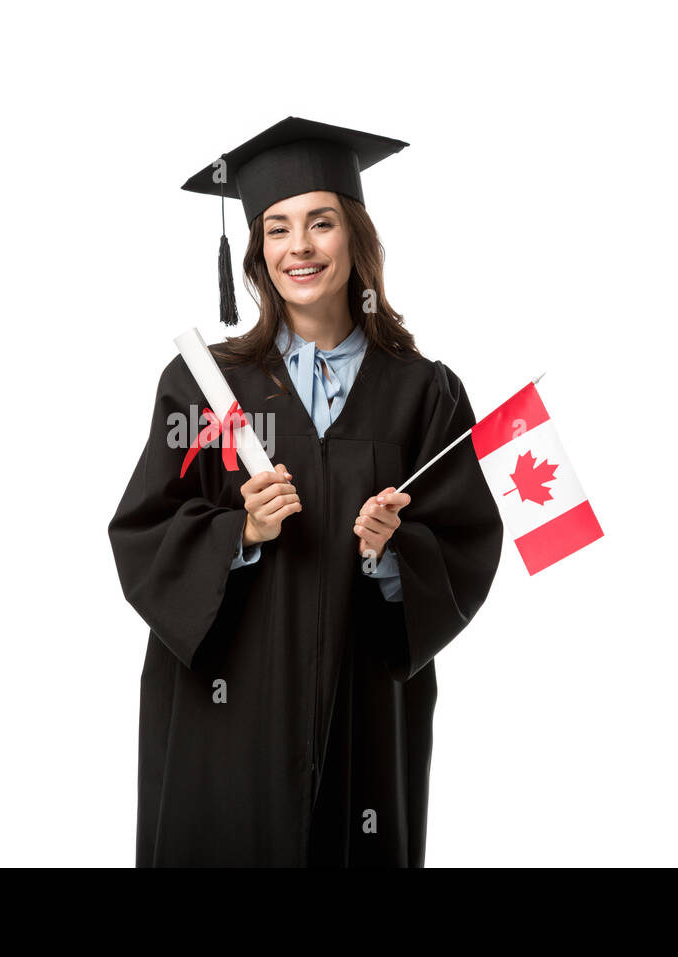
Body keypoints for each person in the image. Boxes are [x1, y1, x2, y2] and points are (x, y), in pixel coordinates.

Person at [108, 117, 504, 867]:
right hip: (226, 715)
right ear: (256, 250)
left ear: (354, 235)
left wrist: (394, 553)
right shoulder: (205, 385)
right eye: (277, 228)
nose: (300, 247)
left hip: (361, 711)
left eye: (321, 222)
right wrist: (239, 534)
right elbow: (144, 530)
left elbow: (467, 544)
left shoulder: (425, 392)